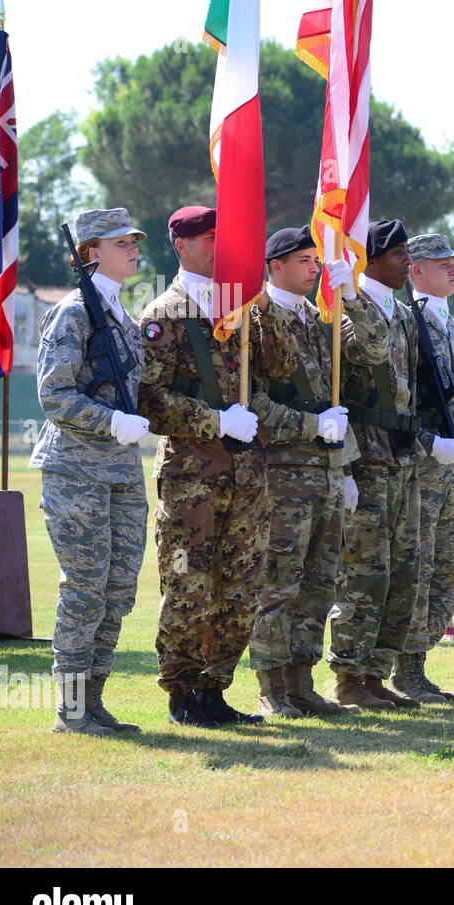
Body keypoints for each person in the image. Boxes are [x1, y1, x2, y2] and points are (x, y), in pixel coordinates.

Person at [137, 205, 299, 727]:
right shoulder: (164, 315)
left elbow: (283, 367)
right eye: (210, 239)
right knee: (189, 585)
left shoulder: (243, 308)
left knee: (241, 586)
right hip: (192, 475)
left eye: (225, 239)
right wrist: (214, 421)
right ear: (181, 245)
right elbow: (149, 400)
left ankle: (215, 689)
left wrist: (260, 302)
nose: (220, 248)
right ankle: (183, 693)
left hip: (247, 475)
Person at [247, 225, 387, 717]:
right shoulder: (255, 320)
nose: (313, 268)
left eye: (315, 260)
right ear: (275, 265)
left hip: (326, 470)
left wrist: (352, 293)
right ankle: (271, 686)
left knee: (319, 583)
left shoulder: (320, 318)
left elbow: (373, 351)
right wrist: (310, 425)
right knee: (278, 582)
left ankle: (301, 682)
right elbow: (250, 403)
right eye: (303, 260)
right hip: (281, 473)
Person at [328, 219, 454, 710]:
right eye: (398, 254)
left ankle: (375, 672)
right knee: (364, 574)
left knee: (403, 574)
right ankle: (349, 676)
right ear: (371, 260)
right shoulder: (351, 309)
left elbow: (415, 394)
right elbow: (368, 350)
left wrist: (427, 442)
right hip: (367, 456)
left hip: (404, 457)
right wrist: (350, 295)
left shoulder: (404, 312)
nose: (407, 262)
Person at [30, 207, 151, 735]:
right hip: (76, 469)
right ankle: (72, 710)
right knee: (85, 587)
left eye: (134, 241)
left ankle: (95, 702)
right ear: (90, 252)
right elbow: (53, 395)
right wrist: (111, 421)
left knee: (118, 589)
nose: (133, 249)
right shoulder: (74, 312)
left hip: (122, 470)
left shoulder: (121, 314)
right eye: (120, 242)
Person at [393, 234, 454, 705]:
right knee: (417, 569)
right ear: (416, 270)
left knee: (449, 568)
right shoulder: (408, 322)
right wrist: (428, 444)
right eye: (442, 263)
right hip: (422, 464)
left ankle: (419, 664)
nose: (453, 269)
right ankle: (406, 668)